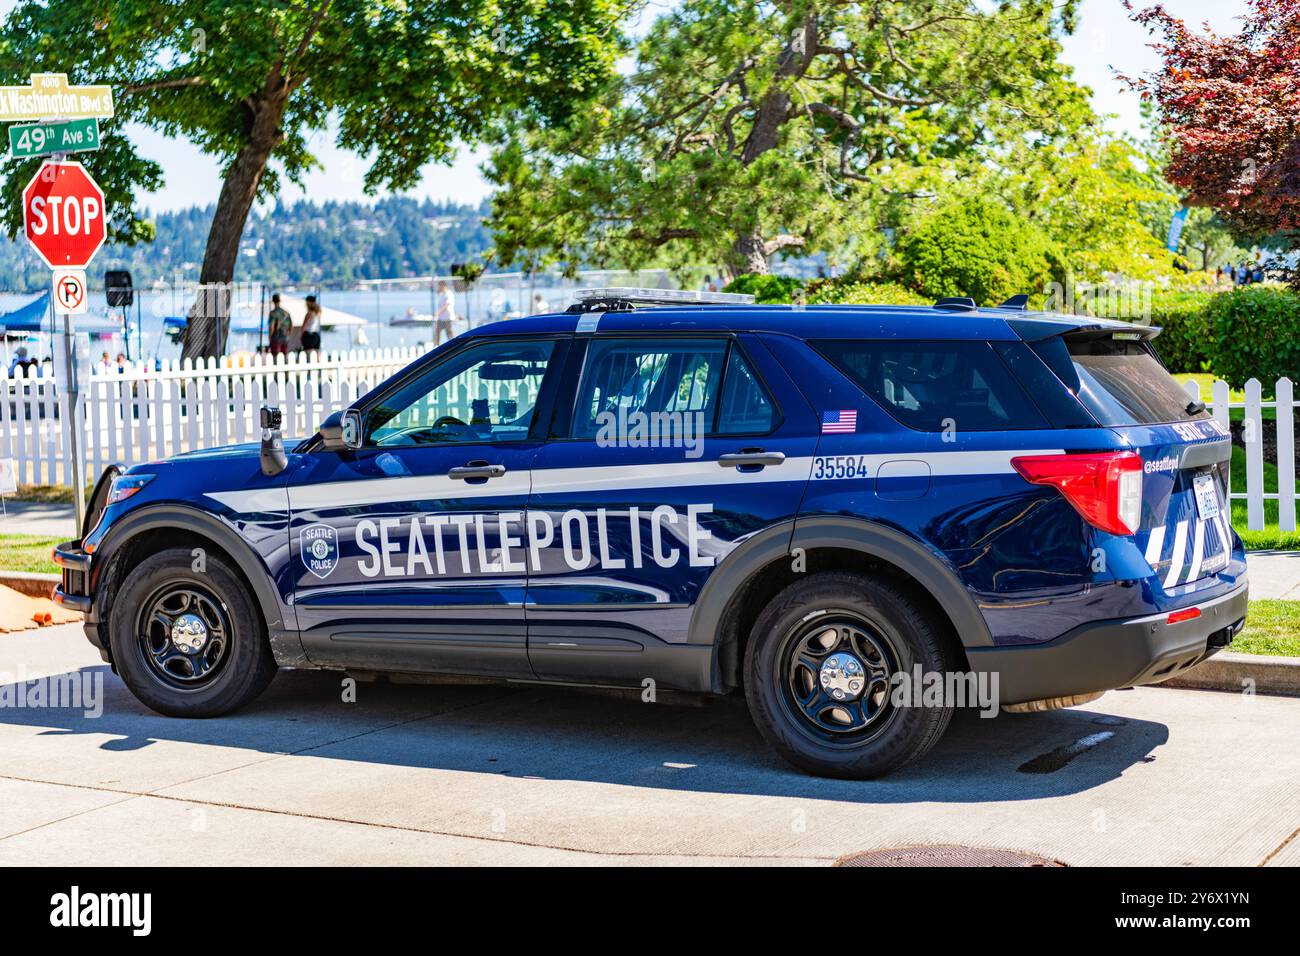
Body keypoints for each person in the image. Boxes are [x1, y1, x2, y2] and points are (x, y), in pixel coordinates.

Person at [434, 281, 456, 346]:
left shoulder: (449, 294)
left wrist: (439, 312)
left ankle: (454, 345)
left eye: (439, 286)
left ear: (443, 286)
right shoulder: (441, 294)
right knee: (437, 332)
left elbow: (447, 305)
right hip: (441, 318)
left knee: (449, 333)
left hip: (448, 317)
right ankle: (437, 345)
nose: (439, 287)